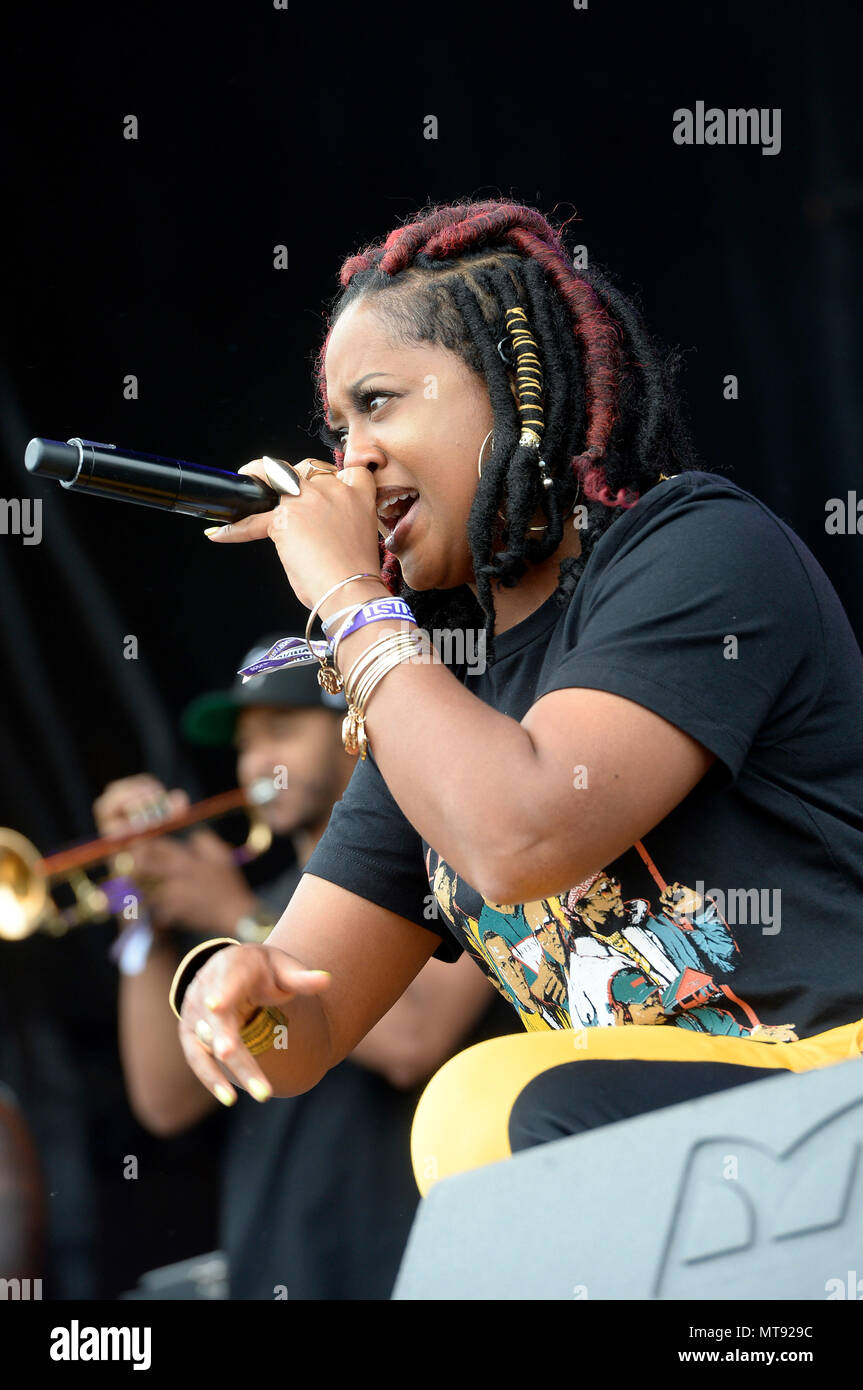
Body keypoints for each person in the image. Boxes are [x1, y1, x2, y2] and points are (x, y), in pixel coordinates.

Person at [172, 197, 863, 1168]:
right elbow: (299, 1036)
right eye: (335, 427)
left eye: (376, 404)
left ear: (513, 389)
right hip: (686, 1144)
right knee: (492, 1123)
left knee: (480, 1106)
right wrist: (229, 981)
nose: (351, 457)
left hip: (831, 1085)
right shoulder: (441, 692)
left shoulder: (700, 545)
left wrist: (346, 594)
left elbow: (520, 832)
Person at [96, 639, 505, 1298]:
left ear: (353, 729)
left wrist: (236, 915)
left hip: (421, 1252)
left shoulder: (451, 867)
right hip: (278, 1260)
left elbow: (412, 1041)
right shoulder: (245, 910)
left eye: (281, 731)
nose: (257, 763)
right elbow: (167, 1103)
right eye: (246, 743)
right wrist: (138, 917)